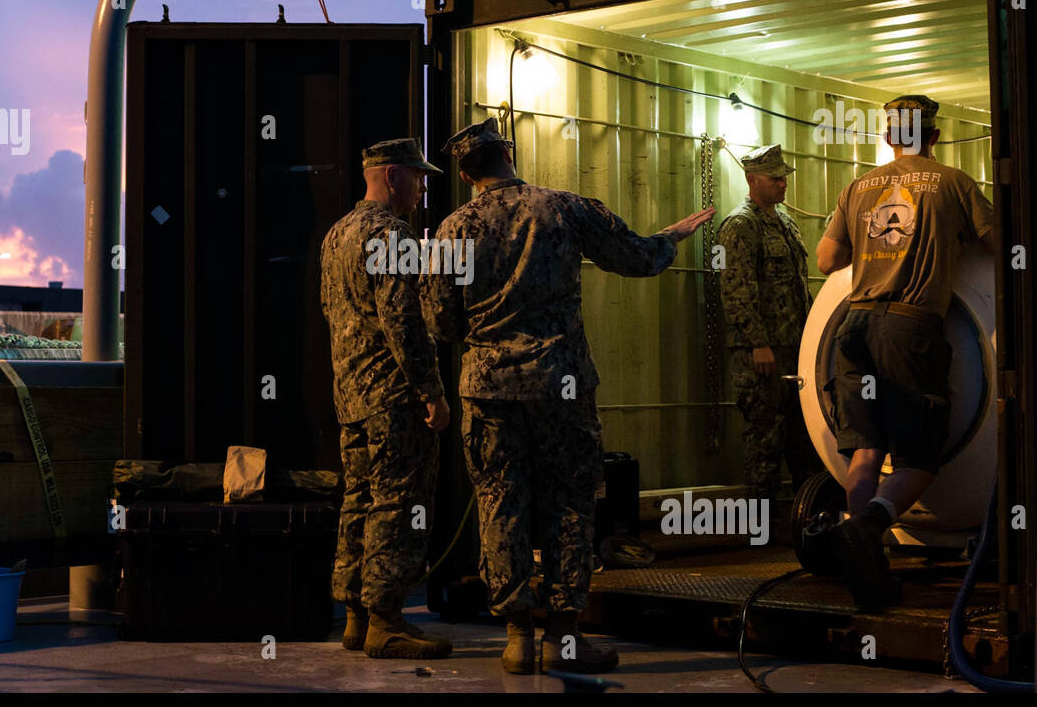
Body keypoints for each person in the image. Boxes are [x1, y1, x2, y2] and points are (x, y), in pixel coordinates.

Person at [421, 117, 713, 674]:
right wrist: (671, 237)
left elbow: (440, 322)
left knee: (500, 501)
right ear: (509, 155)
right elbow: (637, 259)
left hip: (487, 391)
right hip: (561, 383)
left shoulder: (451, 231)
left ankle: (515, 637)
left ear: (464, 172)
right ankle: (563, 634)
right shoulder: (563, 207)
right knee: (570, 502)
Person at [816, 95, 995, 609]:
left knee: (866, 450)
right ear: (934, 137)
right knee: (920, 458)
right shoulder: (954, 182)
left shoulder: (858, 187)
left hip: (852, 326)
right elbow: (996, 242)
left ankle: (866, 566)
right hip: (909, 328)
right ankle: (867, 528)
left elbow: (828, 258)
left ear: (891, 137)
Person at [319, 137, 453, 658]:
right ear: (394, 176)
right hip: (394, 396)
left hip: (350, 396)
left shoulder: (337, 235)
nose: (422, 189)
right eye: (418, 178)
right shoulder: (391, 235)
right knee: (400, 503)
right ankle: (387, 620)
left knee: (358, 501)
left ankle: (355, 615)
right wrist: (431, 392)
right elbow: (404, 321)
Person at [718, 144, 822, 512]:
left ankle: (806, 515)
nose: (782, 184)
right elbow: (736, 289)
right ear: (751, 179)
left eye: (784, 178)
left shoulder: (786, 223)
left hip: (795, 349)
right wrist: (757, 344)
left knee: (802, 433)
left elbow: (797, 286)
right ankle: (758, 525)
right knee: (764, 435)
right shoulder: (739, 226)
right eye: (775, 178)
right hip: (762, 352)